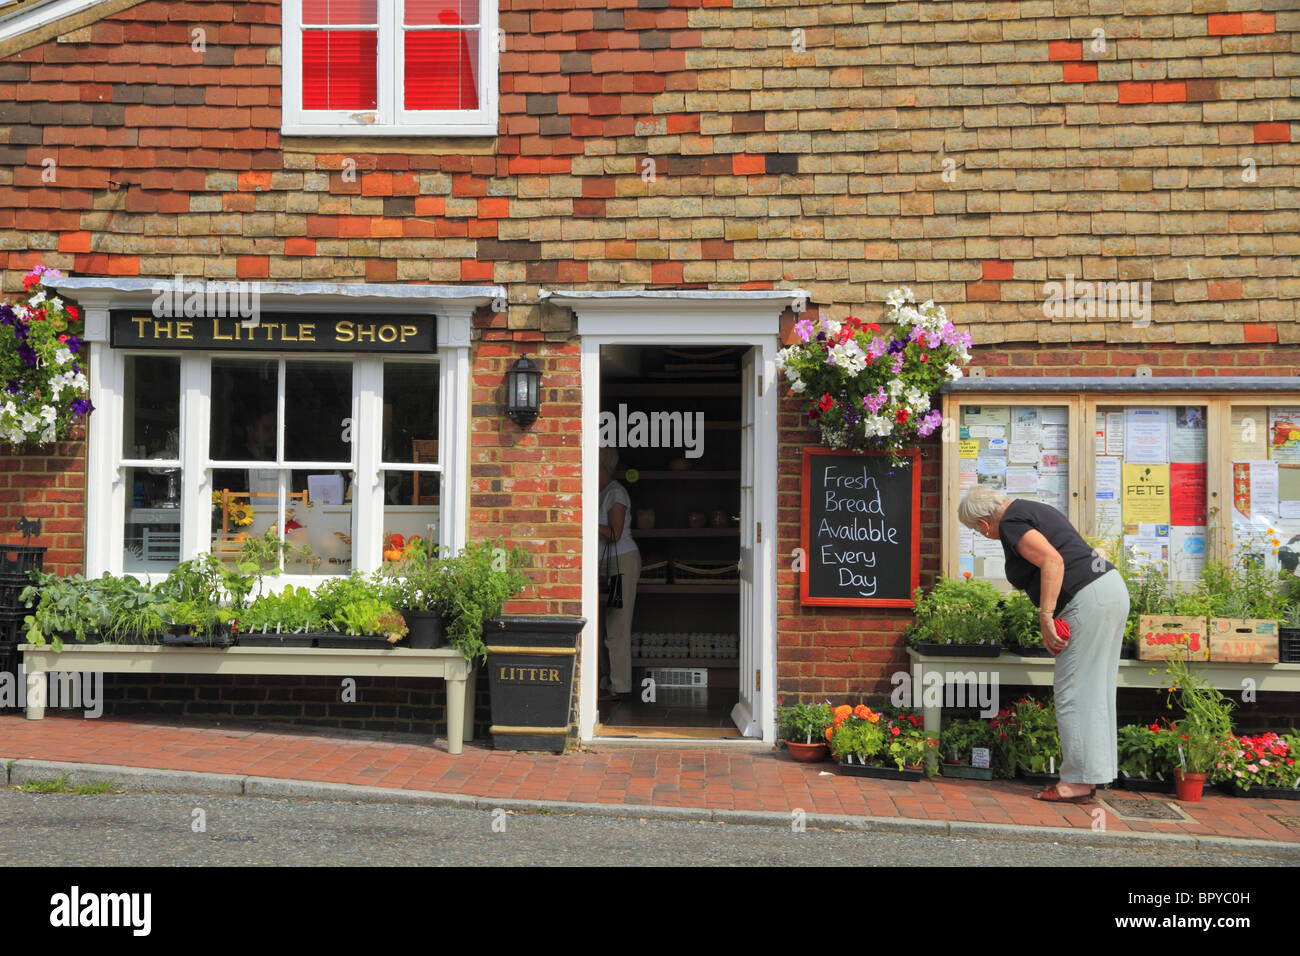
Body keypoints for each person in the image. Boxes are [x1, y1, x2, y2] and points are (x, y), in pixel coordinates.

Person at [958, 485, 1129, 803]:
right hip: (1107, 591)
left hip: (1089, 597)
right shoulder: (1028, 508)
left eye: (976, 531)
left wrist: (1046, 615)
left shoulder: (1010, 523)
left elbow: (1053, 562)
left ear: (982, 524)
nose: (982, 535)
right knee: (1096, 689)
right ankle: (1090, 776)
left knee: (1073, 691)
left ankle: (1077, 782)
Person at [598, 446, 640, 703]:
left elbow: (614, 533)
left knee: (617, 625)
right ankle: (607, 682)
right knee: (607, 623)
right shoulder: (604, 492)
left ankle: (619, 686)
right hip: (609, 564)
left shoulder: (615, 492)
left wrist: (587, 520)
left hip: (620, 563)